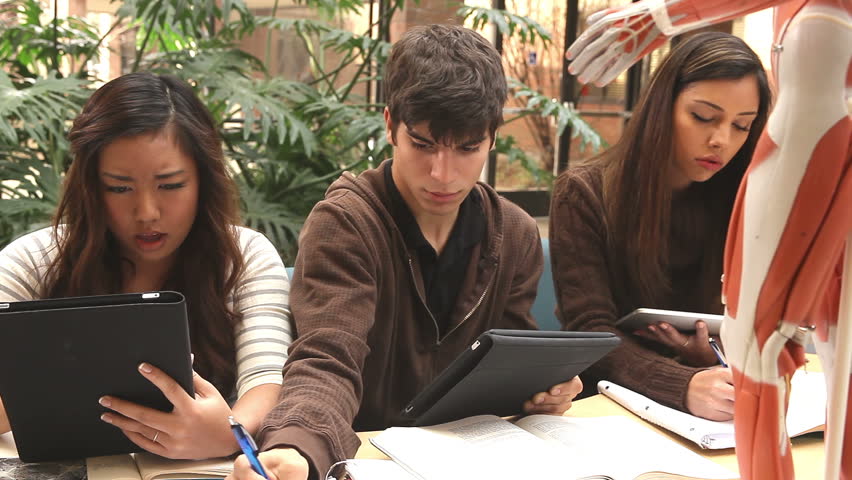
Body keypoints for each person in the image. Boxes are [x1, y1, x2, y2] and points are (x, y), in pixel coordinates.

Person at [228, 24, 583, 480]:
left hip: (475, 460)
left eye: (467, 148)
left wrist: (543, 389)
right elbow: (327, 357)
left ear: (492, 136)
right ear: (390, 124)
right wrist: (298, 447)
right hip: (367, 462)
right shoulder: (346, 224)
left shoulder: (513, 232)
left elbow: (504, 360)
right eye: (423, 144)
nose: (443, 173)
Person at [0, 72, 293, 460]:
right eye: (119, 188)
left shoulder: (245, 257)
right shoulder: (32, 262)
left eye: (170, 185)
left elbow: (269, 380)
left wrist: (230, 433)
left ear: (204, 182)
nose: (146, 213)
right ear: (89, 186)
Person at [549, 32, 771, 421]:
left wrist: (713, 354)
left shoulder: (742, 198)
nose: (721, 140)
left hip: (708, 409)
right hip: (604, 407)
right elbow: (589, 332)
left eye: (742, 125)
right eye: (703, 117)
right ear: (662, 107)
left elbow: (749, 321)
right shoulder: (585, 193)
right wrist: (681, 383)